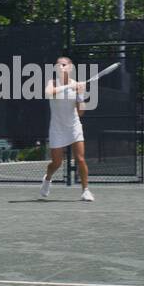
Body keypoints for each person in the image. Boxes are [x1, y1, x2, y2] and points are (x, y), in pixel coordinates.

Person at [40, 56, 93, 201]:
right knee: (56, 163)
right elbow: (48, 93)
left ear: (70, 68)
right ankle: (47, 179)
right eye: (57, 65)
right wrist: (70, 87)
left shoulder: (76, 86)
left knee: (80, 159)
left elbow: (80, 112)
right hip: (57, 128)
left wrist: (81, 95)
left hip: (74, 127)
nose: (60, 67)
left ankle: (85, 191)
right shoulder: (52, 83)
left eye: (63, 64)